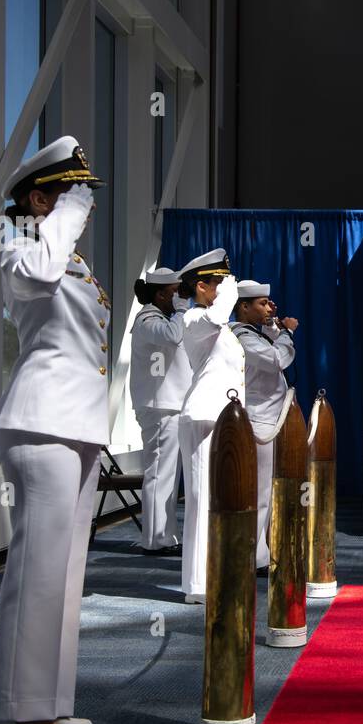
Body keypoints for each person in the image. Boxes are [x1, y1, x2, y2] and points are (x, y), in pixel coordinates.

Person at [0, 135, 106, 724]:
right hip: (40, 424)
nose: (82, 207)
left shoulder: (69, 259)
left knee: (64, 572)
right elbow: (38, 277)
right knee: (37, 569)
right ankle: (23, 705)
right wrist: (66, 215)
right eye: (68, 195)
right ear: (40, 198)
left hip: (76, 425)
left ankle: (51, 699)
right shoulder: (21, 248)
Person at [177, 249, 242, 603]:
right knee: (201, 499)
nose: (225, 287)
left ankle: (213, 572)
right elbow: (216, 319)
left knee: (216, 497)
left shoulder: (219, 323)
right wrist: (230, 295)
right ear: (201, 287)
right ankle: (197, 584)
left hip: (222, 417)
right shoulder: (194, 320)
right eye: (218, 281)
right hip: (202, 415)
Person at [231, 280, 298, 574]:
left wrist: (274, 328)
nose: (269, 308)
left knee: (266, 492)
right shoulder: (240, 335)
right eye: (261, 304)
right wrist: (287, 332)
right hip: (259, 421)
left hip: (270, 419)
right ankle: (252, 555)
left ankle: (258, 549)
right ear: (243, 307)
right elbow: (276, 360)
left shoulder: (254, 333)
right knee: (258, 493)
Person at [130, 267, 192, 556]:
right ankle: (155, 539)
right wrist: (181, 309)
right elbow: (171, 336)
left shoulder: (163, 318)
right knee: (159, 473)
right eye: (174, 293)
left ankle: (166, 535)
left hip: (169, 404)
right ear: (159, 294)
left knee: (169, 475)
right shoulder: (147, 320)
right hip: (159, 407)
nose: (178, 298)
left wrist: (179, 310)